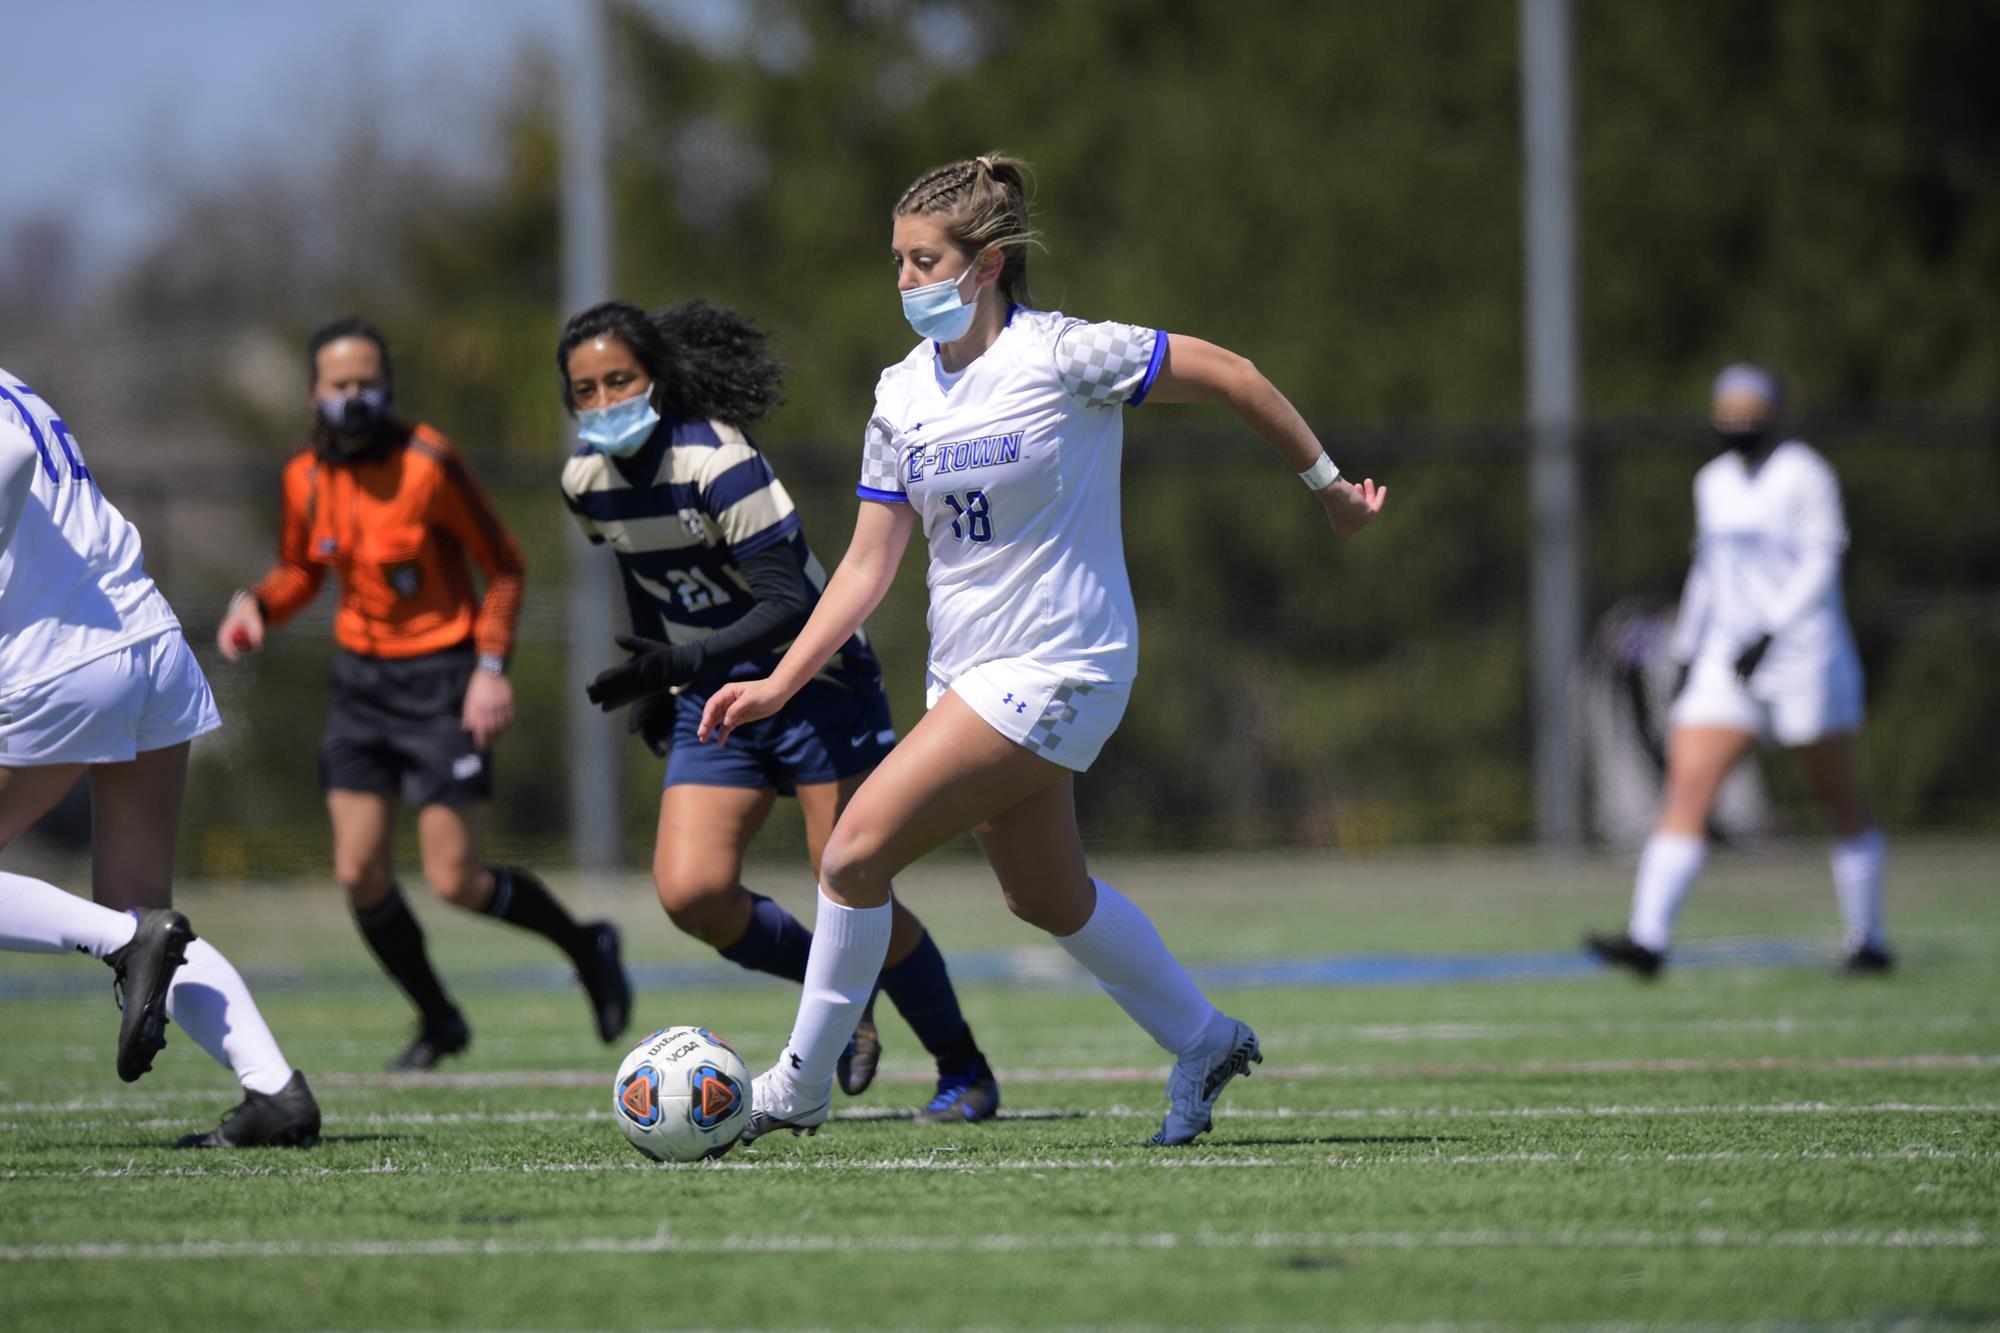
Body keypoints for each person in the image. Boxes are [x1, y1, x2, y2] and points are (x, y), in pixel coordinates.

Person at [696, 153, 1386, 1147]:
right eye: (894, 261)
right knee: (1043, 894)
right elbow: (863, 569)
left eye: (922, 261)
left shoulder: (1067, 355)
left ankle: (797, 1086)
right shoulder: (899, 397)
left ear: (985, 264)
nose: (902, 282)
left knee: (850, 851)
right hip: (965, 680)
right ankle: (1202, 1037)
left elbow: (1232, 376)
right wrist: (775, 683)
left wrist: (1325, 486)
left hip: (1064, 664)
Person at [558, 298, 1000, 1122]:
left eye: (621, 379)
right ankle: (840, 993)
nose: (606, 400)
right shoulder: (585, 481)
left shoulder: (717, 459)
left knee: (854, 888)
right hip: (712, 695)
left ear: (656, 377)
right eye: (586, 390)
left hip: (814, 684)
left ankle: (964, 1068)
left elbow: (789, 601)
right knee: (691, 891)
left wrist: (686, 658)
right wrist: (659, 681)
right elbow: (642, 572)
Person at [217, 317, 631, 1069]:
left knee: (456, 879)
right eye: (341, 385)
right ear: (315, 393)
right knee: (359, 872)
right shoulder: (303, 477)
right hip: (360, 686)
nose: (356, 397)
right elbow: (300, 569)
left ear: (388, 388)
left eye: (369, 383)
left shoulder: (429, 461)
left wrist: (489, 667)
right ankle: (440, 1018)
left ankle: (587, 943)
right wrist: (257, 605)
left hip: (444, 681)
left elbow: (505, 565)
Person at [1, 368, 319, 1147]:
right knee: (139, 902)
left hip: (61, 662)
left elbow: (7, 458)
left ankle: (121, 943)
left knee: (129, 927)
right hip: (147, 642)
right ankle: (275, 1091)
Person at [1587, 364, 1891, 977]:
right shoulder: (1713, 482)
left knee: (1838, 795)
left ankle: (1869, 939)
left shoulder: (1804, 474)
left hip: (1805, 660)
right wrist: (1687, 647)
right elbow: (1710, 572)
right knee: (1688, 786)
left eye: (1748, 409)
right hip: (1731, 663)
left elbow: (1819, 565)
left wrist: (1772, 629)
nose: (1736, 421)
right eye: (1725, 409)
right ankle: (1648, 940)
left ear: (1775, 413)